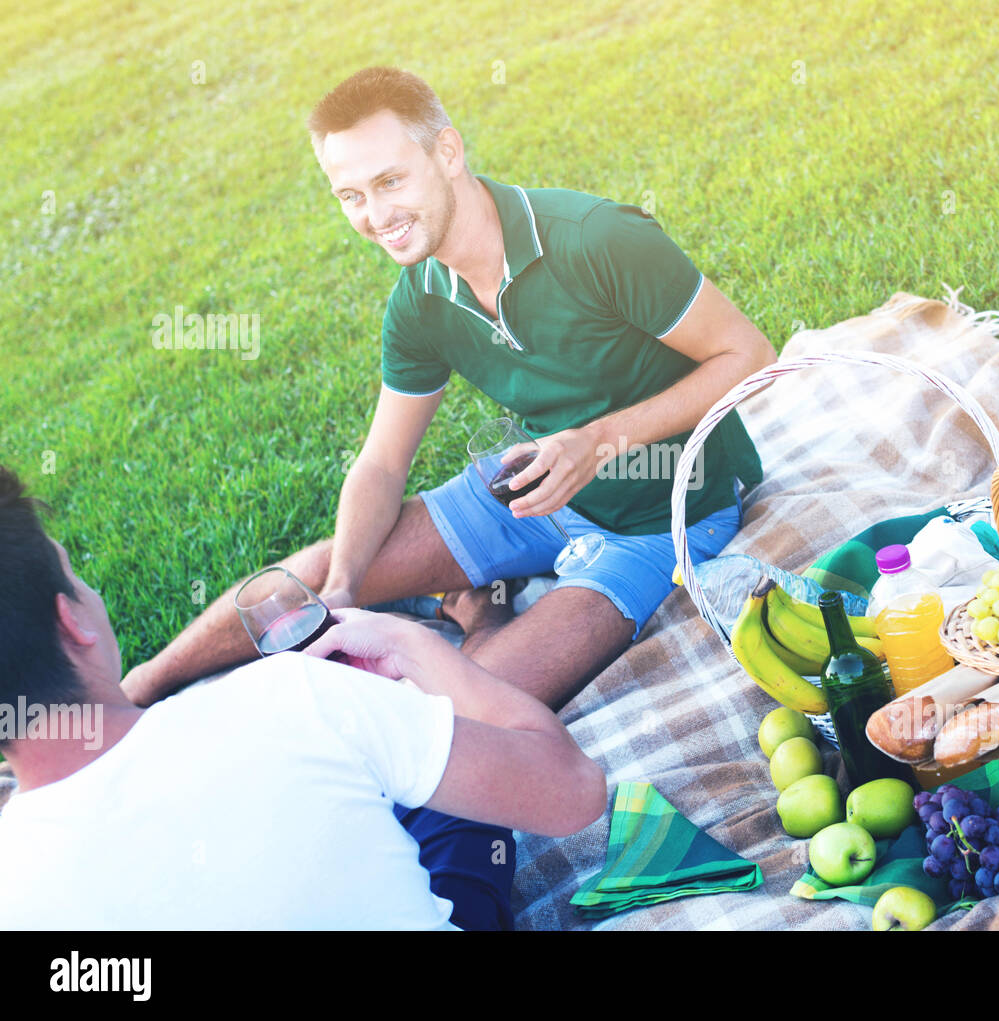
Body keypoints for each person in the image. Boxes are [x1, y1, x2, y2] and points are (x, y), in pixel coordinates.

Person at [122, 66, 777, 711]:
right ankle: (140, 686)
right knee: (310, 578)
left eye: (389, 181)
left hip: (669, 514)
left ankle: (477, 617)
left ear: (448, 151)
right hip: (532, 488)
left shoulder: (597, 239)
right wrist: (344, 587)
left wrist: (600, 441)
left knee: (475, 704)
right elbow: (381, 462)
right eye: (350, 196)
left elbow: (749, 353)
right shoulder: (418, 302)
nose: (376, 216)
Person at [0, 466, 605, 930]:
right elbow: (573, 792)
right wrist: (408, 644)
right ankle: (480, 622)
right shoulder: (294, 697)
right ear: (70, 621)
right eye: (74, 575)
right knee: (445, 793)